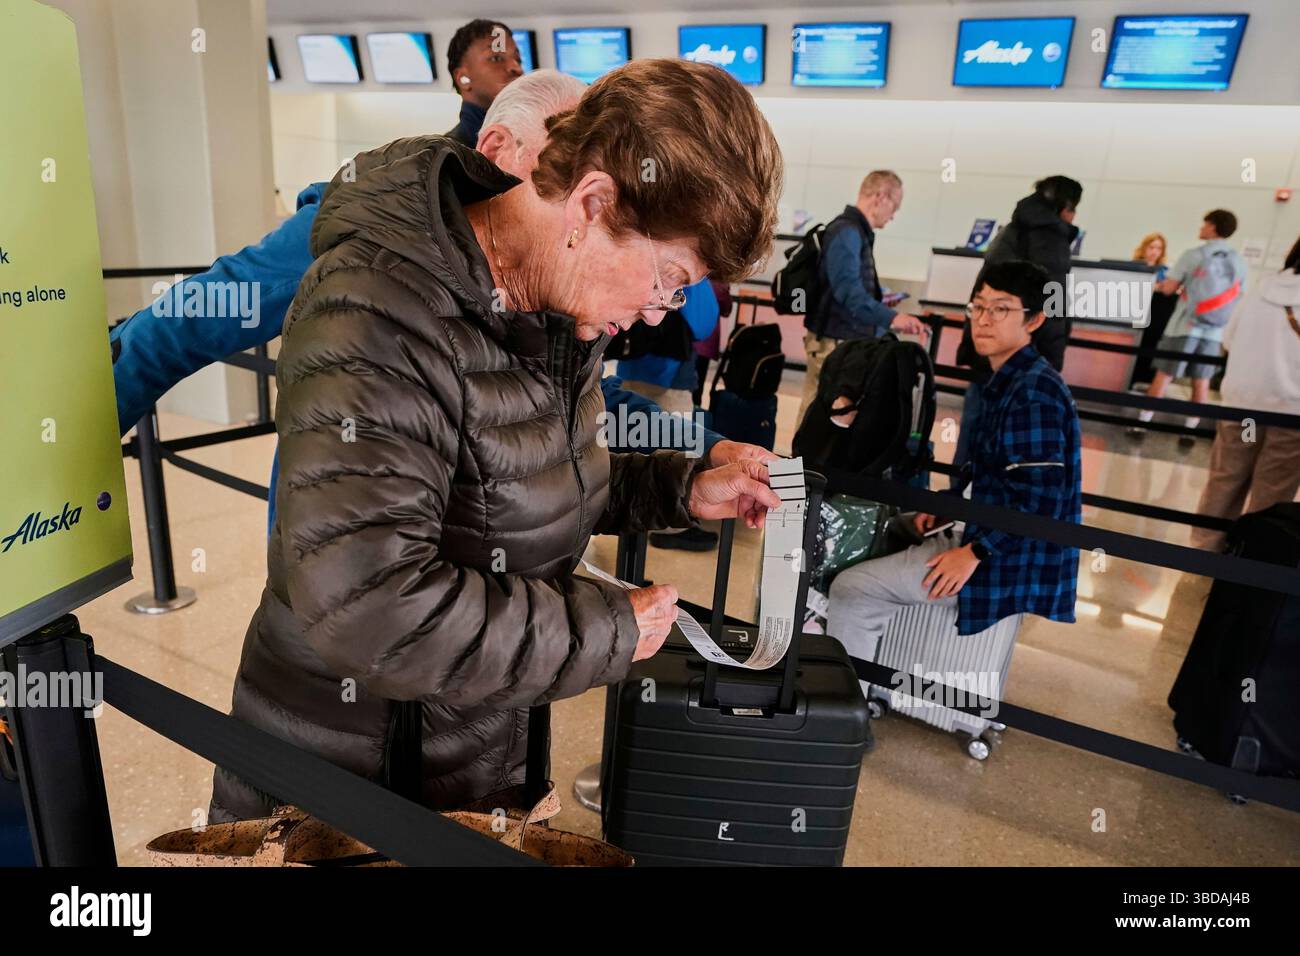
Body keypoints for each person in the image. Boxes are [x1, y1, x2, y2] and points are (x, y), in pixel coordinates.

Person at [208, 58, 786, 822]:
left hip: (473, 743)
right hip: (353, 776)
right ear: (591, 202)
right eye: (669, 277)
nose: (658, 311)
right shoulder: (378, 306)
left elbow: (528, 486)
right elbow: (370, 608)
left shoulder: (549, 308)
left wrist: (680, 488)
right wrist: (606, 628)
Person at [109, 70, 764, 530]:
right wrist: (69, 457)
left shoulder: (546, 268)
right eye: (549, 164)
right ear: (497, 148)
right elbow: (185, 321)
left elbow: (571, 405)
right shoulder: (362, 234)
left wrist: (702, 444)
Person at [827, 261, 1081, 667]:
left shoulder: (1034, 393)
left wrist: (975, 552)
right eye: (977, 307)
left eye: (1000, 309)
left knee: (851, 587)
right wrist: (945, 506)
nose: (983, 320)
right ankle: (862, 683)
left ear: (1034, 319)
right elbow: (987, 475)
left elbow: (1042, 501)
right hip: (979, 528)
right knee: (884, 531)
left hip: (1006, 558)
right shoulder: (1011, 379)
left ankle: (840, 711)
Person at [953, 175, 1081, 469]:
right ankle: (977, 505)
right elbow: (1052, 302)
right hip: (1018, 354)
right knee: (1010, 438)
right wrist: (1052, 358)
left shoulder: (1012, 229)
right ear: (1066, 207)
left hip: (988, 351)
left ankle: (958, 497)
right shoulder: (1050, 237)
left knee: (976, 426)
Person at [1189, 236, 1300, 551]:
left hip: (1241, 403)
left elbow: (1228, 339)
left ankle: (1204, 545)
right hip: (1292, 411)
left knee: (1226, 477)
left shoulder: (1260, 288)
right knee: (1274, 488)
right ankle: (1253, 553)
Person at [797, 170, 928, 424]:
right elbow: (848, 292)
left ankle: (808, 464)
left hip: (841, 341)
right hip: (831, 344)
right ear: (880, 197)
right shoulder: (847, 232)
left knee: (824, 414)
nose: (893, 216)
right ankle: (791, 466)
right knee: (814, 413)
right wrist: (892, 317)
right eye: (895, 206)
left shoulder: (855, 232)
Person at [1129, 210, 1247, 448]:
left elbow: (1169, 289)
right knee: (1201, 380)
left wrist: (1170, 287)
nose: (1201, 228)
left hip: (1185, 326)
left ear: (1213, 227)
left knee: (1164, 374)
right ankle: (1189, 430)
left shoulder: (1193, 255)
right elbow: (1239, 295)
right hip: (1215, 331)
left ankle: (1143, 422)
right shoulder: (1238, 261)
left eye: (1205, 224)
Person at [444, 19, 523, 147]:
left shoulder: (527, 142)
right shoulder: (446, 158)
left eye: (518, 60)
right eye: (496, 58)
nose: (516, 68)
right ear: (463, 79)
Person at [1129, 231, 1176, 389]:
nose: (1155, 251)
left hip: (1156, 314)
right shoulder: (1135, 266)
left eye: (1159, 248)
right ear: (1144, 248)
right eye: (1152, 247)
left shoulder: (1165, 270)